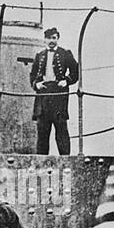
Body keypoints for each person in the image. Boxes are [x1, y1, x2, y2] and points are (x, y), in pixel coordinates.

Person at [29, 26, 80, 155]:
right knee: (42, 130)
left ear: (57, 38)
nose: (51, 41)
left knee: (61, 128)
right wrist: (37, 85)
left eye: (54, 38)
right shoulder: (39, 55)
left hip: (58, 95)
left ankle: (65, 158)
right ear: (44, 39)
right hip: (44, 95)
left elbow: (75, 71)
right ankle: (41, 159)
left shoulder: (65, 54)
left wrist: (66, 81)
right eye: (48, 38)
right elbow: (33, 74)